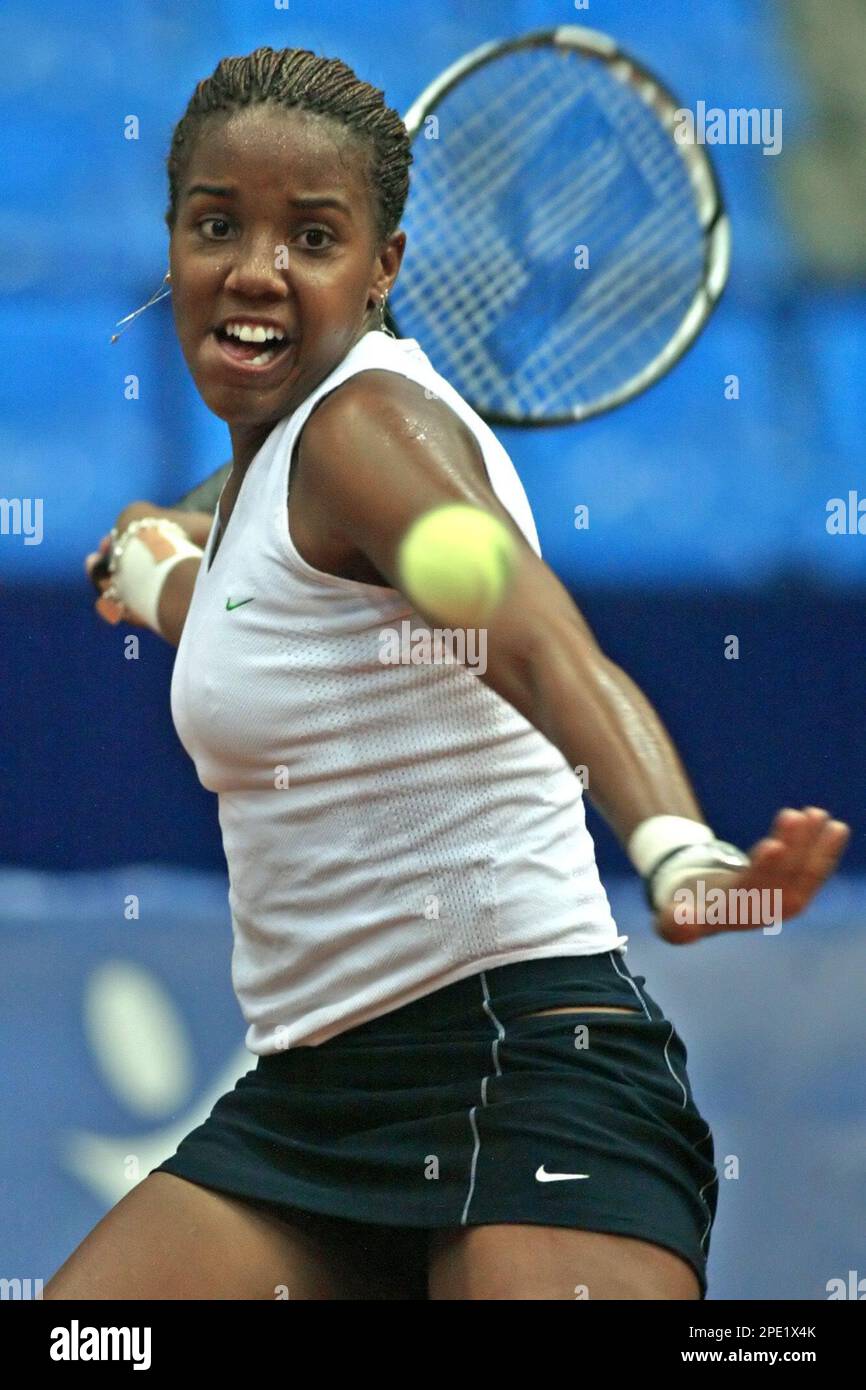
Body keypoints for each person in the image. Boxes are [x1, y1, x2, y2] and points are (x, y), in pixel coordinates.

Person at [47, 46, 849, 1301]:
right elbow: (271, 633)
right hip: (313, 1098)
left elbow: (532, 638)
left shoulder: (372, 435)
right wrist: (154, 571)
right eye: (219, 225)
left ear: (384, 271)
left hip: (525, 1069)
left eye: (312, 238)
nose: (255, 268)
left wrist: (680, 853)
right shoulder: (281, 475)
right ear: (172, 246)